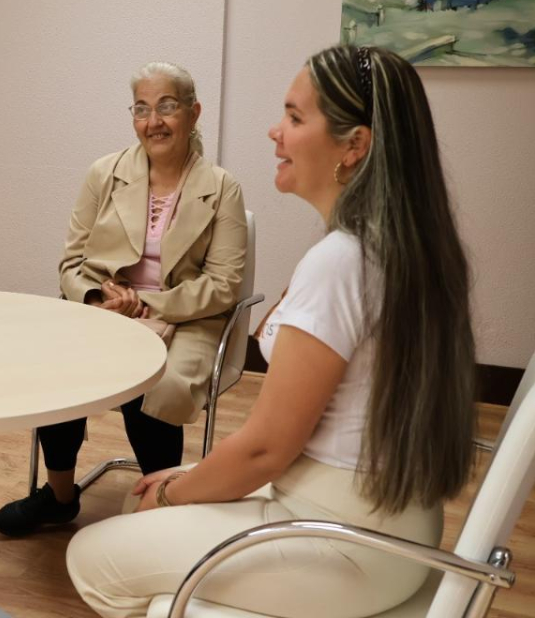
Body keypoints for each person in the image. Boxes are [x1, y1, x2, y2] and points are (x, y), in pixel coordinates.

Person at [65, 45, 477, 618]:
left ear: (354, 146)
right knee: (162, 519)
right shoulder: (404, 246)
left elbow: (264, 449)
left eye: (294, 117)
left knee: (92, 556)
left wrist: (168, 493)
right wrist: (188, 478)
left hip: (343, 542)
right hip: (390, 523)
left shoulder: (341, 261)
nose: (274, 132)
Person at [0, 62, 247, 537]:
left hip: (188, 317)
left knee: (154, 380)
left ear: (194, 113)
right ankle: (60, 496)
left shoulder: (222, 188)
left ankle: (159, 504)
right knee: (56, 368)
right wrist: (94, 299)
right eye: (142, 109)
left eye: (167, 107)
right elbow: (71, 264)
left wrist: (154, 307)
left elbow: (225, 284)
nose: (154, 122)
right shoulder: (104, 174)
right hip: (107, 310)